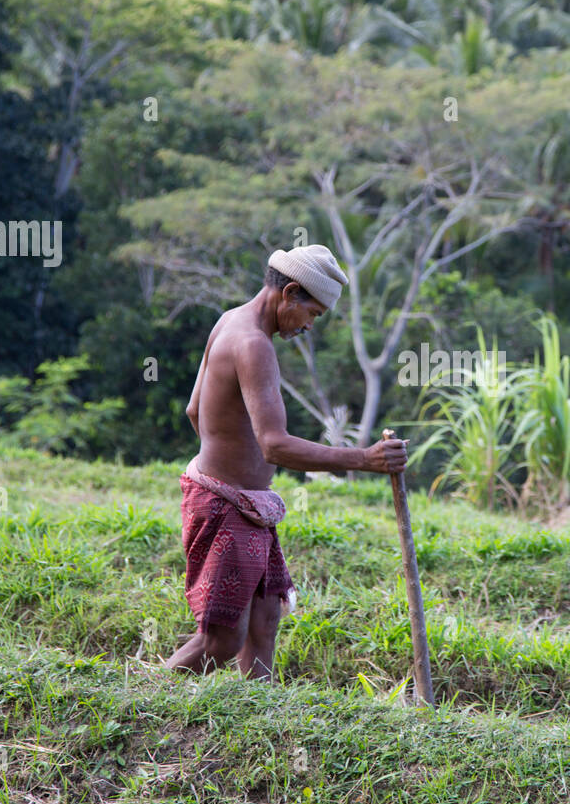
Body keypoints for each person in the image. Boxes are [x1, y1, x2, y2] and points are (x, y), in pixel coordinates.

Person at [165, 244, 408, 678]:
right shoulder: (253, 344)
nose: (310, 326)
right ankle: (146, 695)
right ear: (290, 293)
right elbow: (274, 446)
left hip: (241, 502)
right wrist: (364, 459)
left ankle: (262, 720)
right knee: (222, 640)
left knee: (264, 621)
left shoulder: (230, 320)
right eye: (312, 314)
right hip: (224, 504)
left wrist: (232, 463)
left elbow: (193, 408)